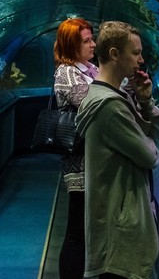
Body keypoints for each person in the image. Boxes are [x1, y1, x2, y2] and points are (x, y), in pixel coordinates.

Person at [75, 21, 159, 279]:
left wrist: (145, 101)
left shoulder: (114, 96)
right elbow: (150, 156)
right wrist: (149, 144)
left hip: (117, 225)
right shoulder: (109, 107)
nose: (141, 59)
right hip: (119, 233)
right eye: (135, 52)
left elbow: (148, 136)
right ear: (114, 54)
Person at [53, 17, 99, 279]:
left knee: (86, 230)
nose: (93, 44)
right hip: (80, 163)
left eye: (92, 38)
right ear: (72, 45)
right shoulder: (67, 72)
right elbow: (91, 104)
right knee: (76, 231)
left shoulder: (90, 68)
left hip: (94, 160)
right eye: (86, 40)